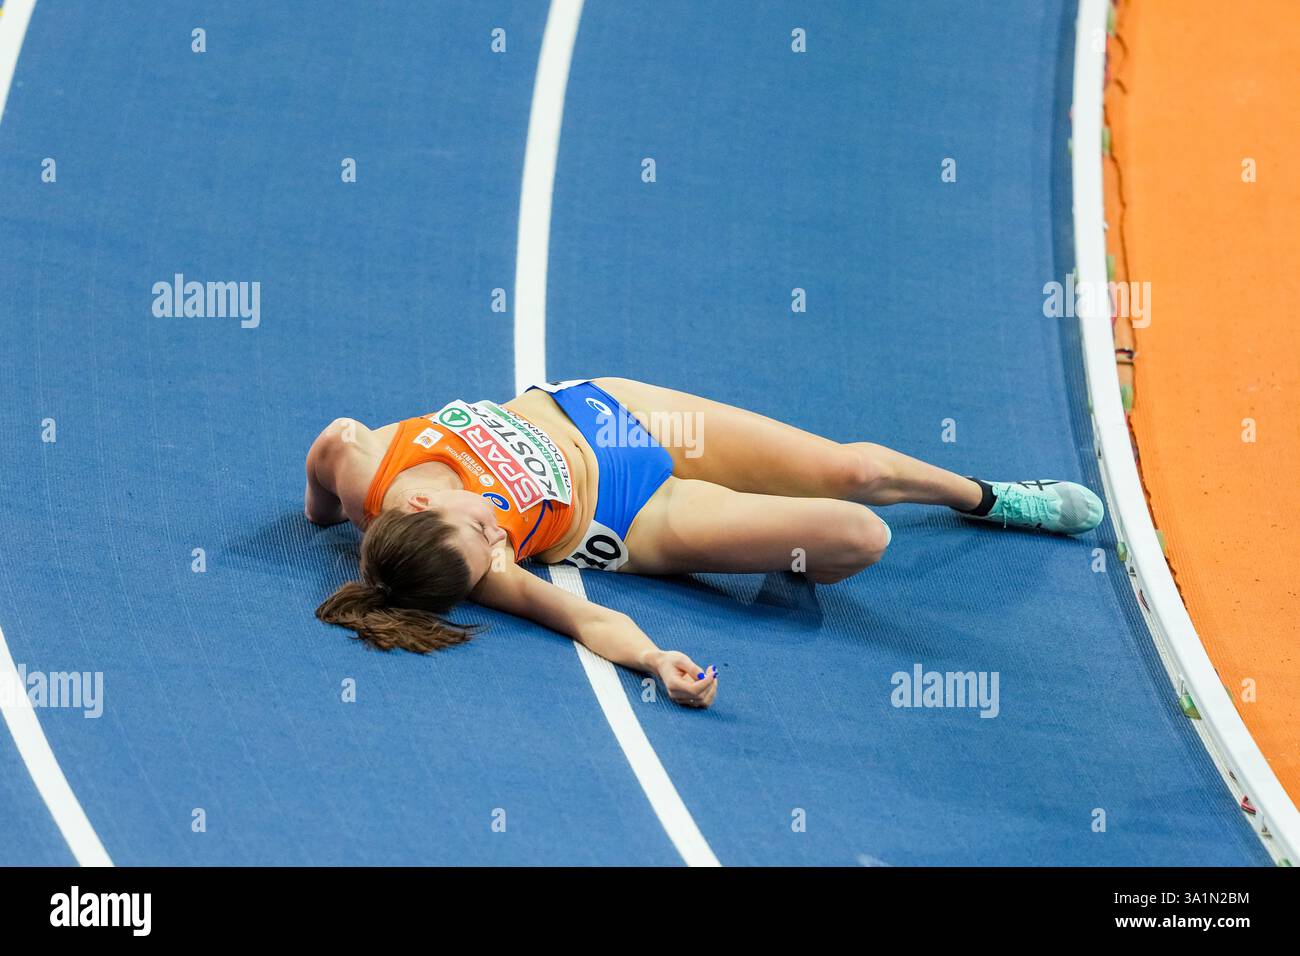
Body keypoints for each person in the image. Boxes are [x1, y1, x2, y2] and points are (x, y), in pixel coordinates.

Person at [306, 378, 1103, 709]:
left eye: (480, 527)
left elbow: (323, 457)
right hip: (634, 512)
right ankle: (769, 548)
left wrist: (315, 516)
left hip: (613, 413)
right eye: (496, 551)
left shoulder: (365, 468)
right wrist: (655, 660)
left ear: (414, 502)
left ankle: (991, 497)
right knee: (859, 537)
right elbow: (587, 622)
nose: (499, 533)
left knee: (851, 467)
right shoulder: (486, 569)